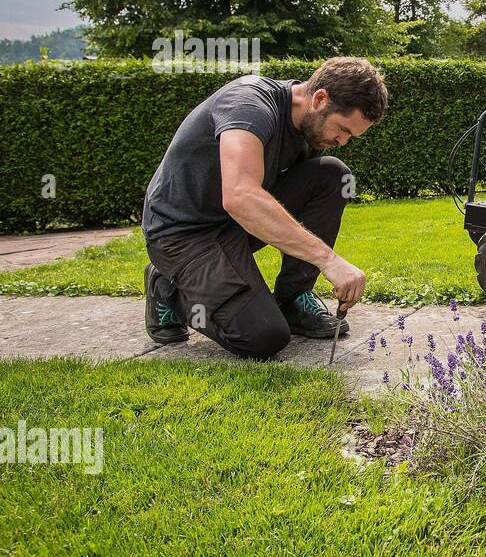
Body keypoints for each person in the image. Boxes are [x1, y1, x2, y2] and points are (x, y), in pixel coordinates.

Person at [140, 57, 387, 359]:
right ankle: (165, 284)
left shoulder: (309, 130)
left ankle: (294, 299)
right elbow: (240, 196)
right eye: (343, 129)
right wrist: (328, 260)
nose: (343, 140)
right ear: (320, 99)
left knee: (333, 174)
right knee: (263, 336)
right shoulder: (248, 106)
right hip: (182, 235)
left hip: (231, 226)